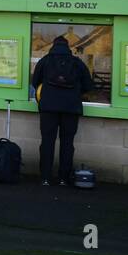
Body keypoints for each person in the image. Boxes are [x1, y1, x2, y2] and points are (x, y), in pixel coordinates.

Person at [31, 35, 95, 187]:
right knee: (67, 144)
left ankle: (45, 178)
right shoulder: (77, 63)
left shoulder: (45, 61)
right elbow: (88, 86)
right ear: (68, 47)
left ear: (53, 46)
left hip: (48, 109)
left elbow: (35, 83)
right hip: (71, 109)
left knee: (47, 142)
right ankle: (63, 179)